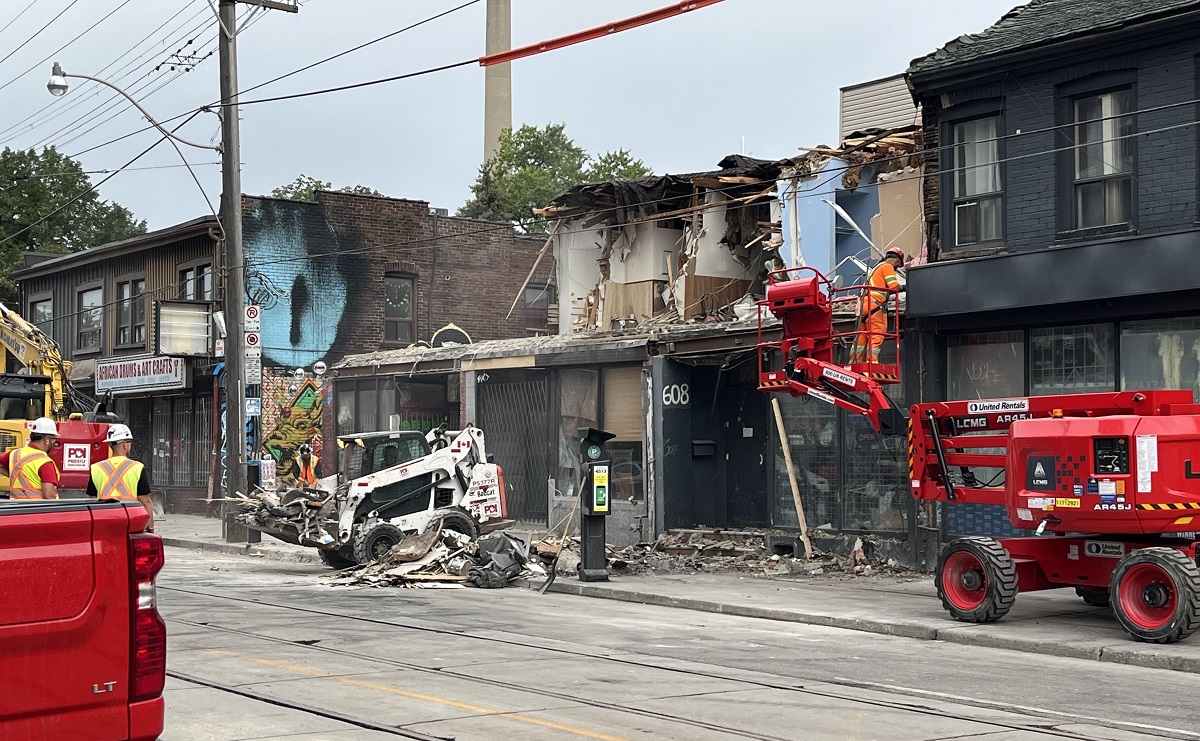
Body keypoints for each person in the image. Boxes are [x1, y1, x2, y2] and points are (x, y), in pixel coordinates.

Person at [87, 423, 154, 531]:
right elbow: (145, 501)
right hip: (130, 521)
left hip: (104, 522)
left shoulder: (96, 468)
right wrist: (150, 527)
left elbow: (92, 500)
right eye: (129, 442)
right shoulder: (137, 467)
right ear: (124, 445)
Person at [850, 247, 906, 364]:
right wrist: (905, 287)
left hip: (862, 305)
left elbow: (882, 289)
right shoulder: (887, 267)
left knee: (861, 337)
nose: (896, 268)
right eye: (898, 265)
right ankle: (872, 363)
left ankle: (855, 362)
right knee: (877, 334)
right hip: (874, 305)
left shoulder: (876, 268)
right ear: (897, 261)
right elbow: (894, 287)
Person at [0, 417, 61, 500]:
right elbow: (49, 496)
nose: (54, 442)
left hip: (15, 509)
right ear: (46, 440)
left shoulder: (14, 454)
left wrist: (13, 474)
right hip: (37, 510)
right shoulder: (45, 463)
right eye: (53, 439)